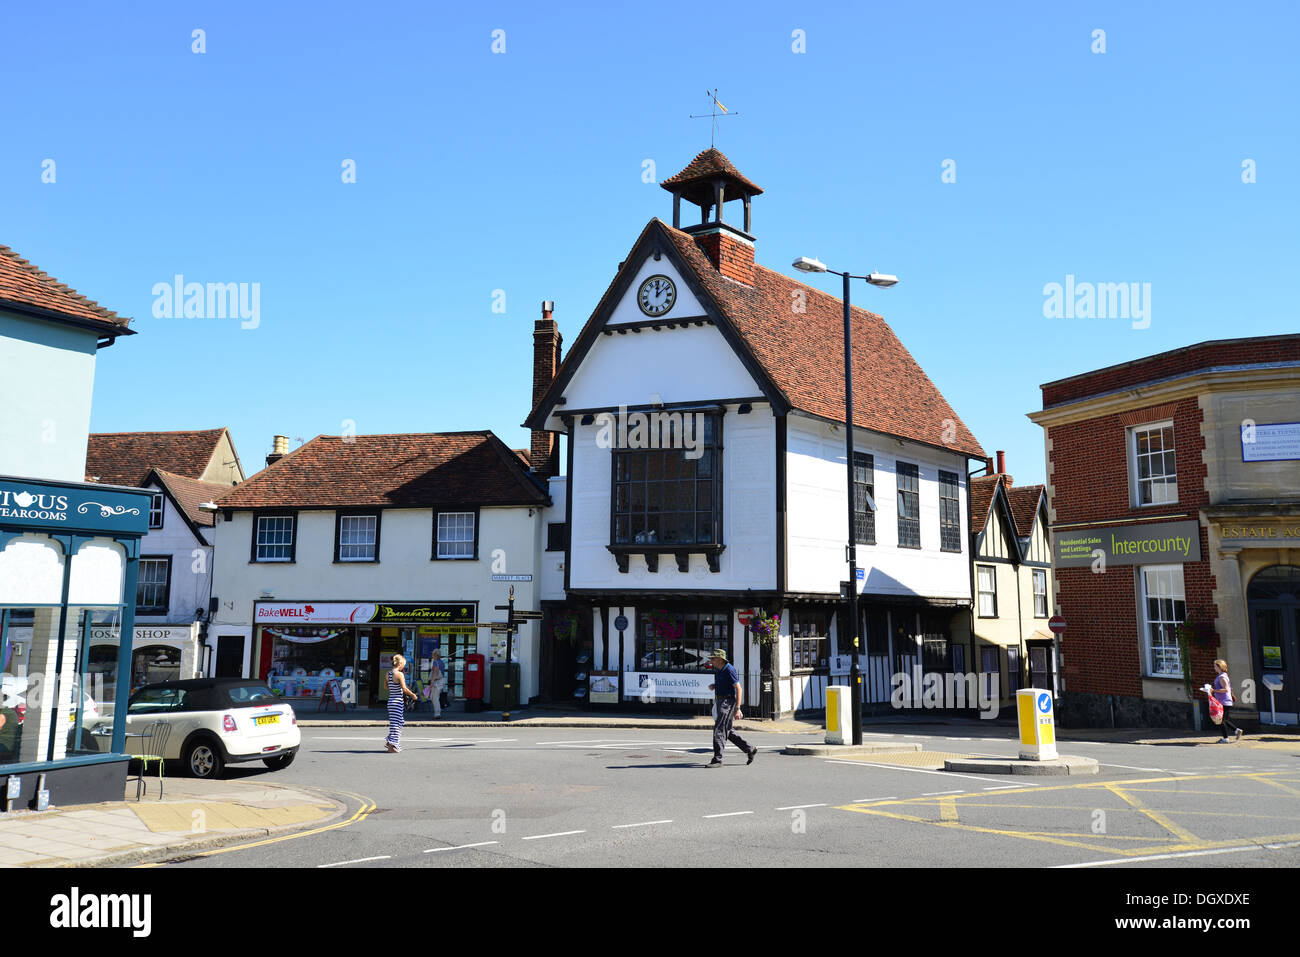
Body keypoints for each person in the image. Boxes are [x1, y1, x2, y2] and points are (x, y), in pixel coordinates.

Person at [705, 648, 756, 767]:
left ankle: (717, 759)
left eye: (713, 658)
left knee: (719, 730)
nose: (711, 661)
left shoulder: (729, 669)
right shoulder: (719, 669)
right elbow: (724, 683)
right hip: (720, 700)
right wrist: (715, 685)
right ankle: (750, 749)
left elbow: (738, 688)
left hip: (727, 702)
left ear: (720, 659)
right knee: (727, 730)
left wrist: (737, 708)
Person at [384, 654, 418, 753]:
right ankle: (392, 745)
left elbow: (386, 687)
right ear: (400, 664)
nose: (404, 666)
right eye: (404, 664)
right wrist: (413, 695)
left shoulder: (388, 673)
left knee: (396, 722)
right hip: (397, 702)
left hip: (391, 701)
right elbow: (404, 689)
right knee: (397, 723)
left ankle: (390, 742)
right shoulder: (399, 674)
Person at [1211, 658, 1243, 744]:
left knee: (1221, 720)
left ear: (1219, 667)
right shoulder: (1223, 675)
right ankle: (1236, 730)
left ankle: (1226, 738)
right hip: (1224, 701)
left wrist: (1214, 690)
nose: (1214, 668)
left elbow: (1226, 689)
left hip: (1223, 701)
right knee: (1224, 719)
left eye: (1215, 666)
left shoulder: (1222, 677)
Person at [428, 650, 448, 718]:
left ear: (435, 655)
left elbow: (435, 672)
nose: (432, 656)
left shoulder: (435, 662)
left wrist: (432, 682)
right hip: (441, 680)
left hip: (437, 681)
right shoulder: (442, 662)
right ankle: (438, 710)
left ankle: (437, 713)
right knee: (433, 697)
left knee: (435, 697)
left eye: (433, 654)